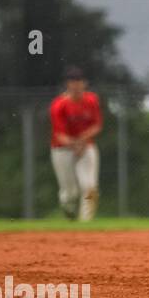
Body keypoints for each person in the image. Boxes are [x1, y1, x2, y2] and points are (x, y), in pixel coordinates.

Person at [49, 66, 102, 221]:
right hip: (62, 149)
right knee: (70, 191)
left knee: (90, 186)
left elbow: (97, 125)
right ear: (68, 84)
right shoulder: (59, 104)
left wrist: (81, 142)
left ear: (84, 83)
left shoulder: (91, 100)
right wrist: (75, 144)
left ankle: (86, 222)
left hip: (86, 146)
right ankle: (67, 208)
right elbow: (59, 134)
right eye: (73, 82)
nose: (77, 85)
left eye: (79, 81)